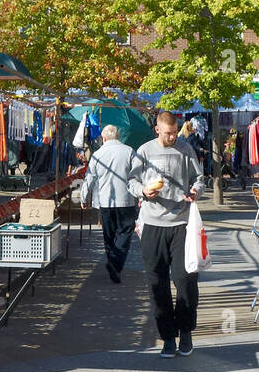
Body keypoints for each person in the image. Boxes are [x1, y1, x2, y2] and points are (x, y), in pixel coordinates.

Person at [128, 111, 204, 358]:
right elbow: (131, 181)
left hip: (181, 223)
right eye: (168, 132)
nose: (173, 136)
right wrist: (142, 191)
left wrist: (195, 191)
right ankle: (168, 337)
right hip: (152, 224)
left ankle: (186, 331)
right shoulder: (144, 151)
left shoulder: (186, 149)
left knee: (185, 279)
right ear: (158, 130)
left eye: (175, 132)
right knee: (156, 282)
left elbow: (199, 178)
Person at [81, 125, 138, 283]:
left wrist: (83, 197)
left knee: (109, 235)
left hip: (106, 201)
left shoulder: (98, 155)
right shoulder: (129, 151)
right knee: (125, 233)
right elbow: (138, 175)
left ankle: (113, 262)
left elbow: (89, 178)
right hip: (126, 200)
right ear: (117, 136)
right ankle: (116, 263)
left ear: (104, 138)